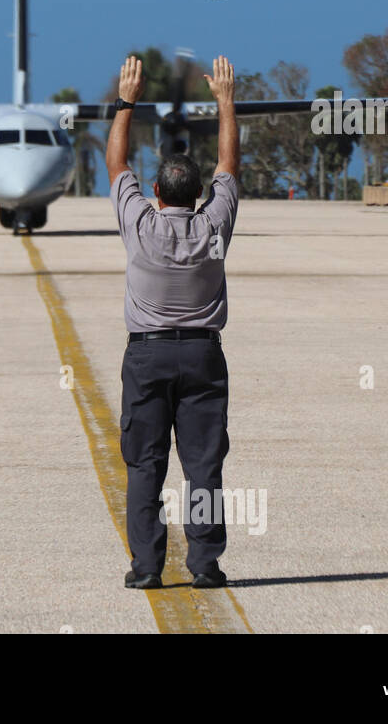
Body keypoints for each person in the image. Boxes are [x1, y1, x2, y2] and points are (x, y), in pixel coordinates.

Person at [104, 54, 240, 590]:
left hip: (148, 355)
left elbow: (117, 166)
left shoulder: (139, 224)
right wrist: (226, 102)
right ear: (199, 195)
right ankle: (205, 565)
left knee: (145, 467)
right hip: (204, 357)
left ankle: (146, 568)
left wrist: (126, 102)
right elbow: (229, 165)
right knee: (204, 468)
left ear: (156, 195)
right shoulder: (215, 225)